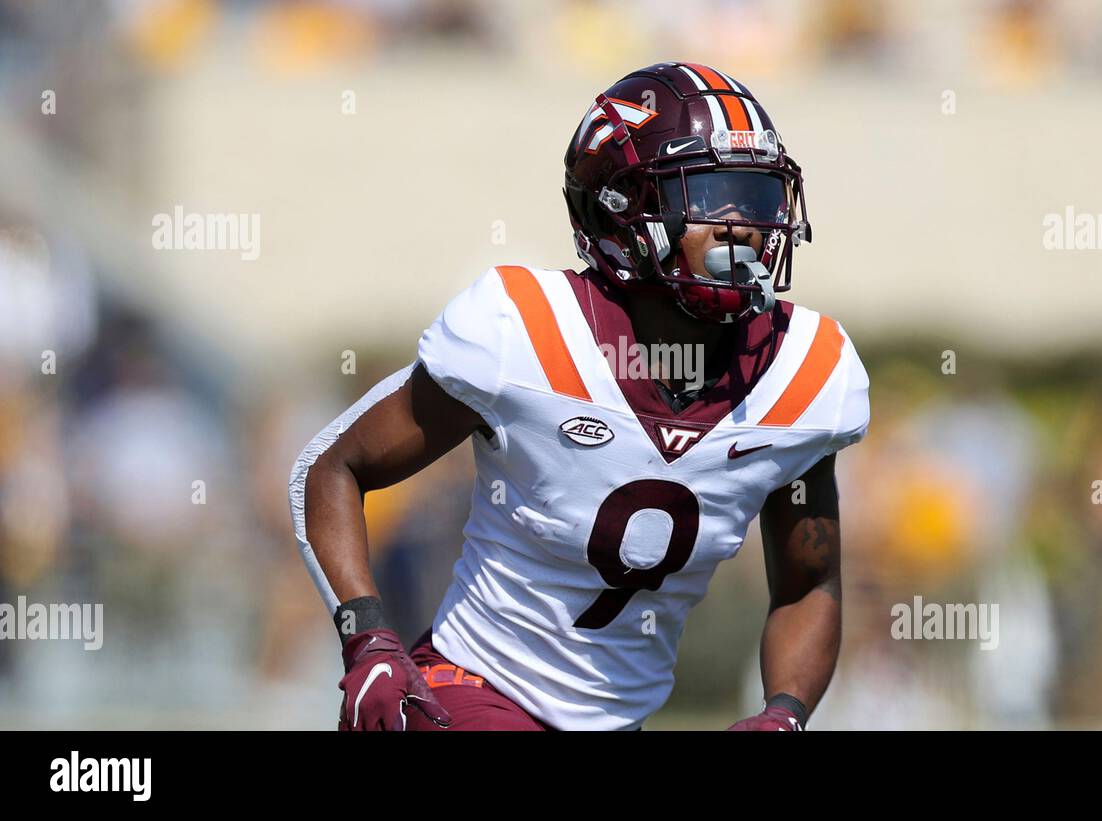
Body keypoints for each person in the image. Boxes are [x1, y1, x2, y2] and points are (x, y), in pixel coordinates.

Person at [289, 62, 870, 730]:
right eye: (710, 194)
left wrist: (785, 710)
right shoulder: (523, 332)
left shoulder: (806, 373)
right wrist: (369, 642)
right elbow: (332, 466)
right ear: (620, 207)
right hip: (471, 690)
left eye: (757, 197)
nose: (742, 225)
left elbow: (807, 582)